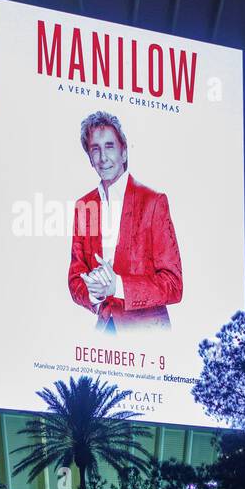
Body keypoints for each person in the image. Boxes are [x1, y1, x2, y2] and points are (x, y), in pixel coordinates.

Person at [68, 112, 182, 332]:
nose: (103, 157)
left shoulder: (153, 202)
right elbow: (75, 278)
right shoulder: (84, 206)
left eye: (109, 146)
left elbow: (174, 285)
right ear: (90, 158)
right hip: (105, 334)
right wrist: (95, 291)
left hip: (150, 339)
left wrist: (117, 286)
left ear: (124, 151)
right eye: (95, 149)